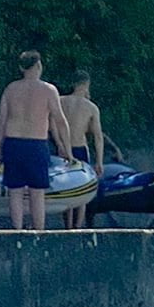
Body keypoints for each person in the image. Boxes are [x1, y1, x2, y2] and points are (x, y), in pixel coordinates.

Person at [0, 51, 74, 231]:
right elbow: (60, 121)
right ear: (38, 66)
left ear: (21, 68)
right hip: (36, 144)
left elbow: (2, 121)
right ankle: (39, 231)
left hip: (13, 142)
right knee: (37, 192)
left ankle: (17, 230)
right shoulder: (48, 90)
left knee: (15, 191)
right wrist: (67, 149)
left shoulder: (11, 89)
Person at [60, 70, 118, 228]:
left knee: (66, 189)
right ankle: (78, 227)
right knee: (81, 192)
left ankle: (67, 225)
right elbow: (98, 137)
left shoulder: (60, 101)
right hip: (80, 149)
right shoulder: (91, 107)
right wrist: (99, 161)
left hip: (63, 150)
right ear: (86, 84)